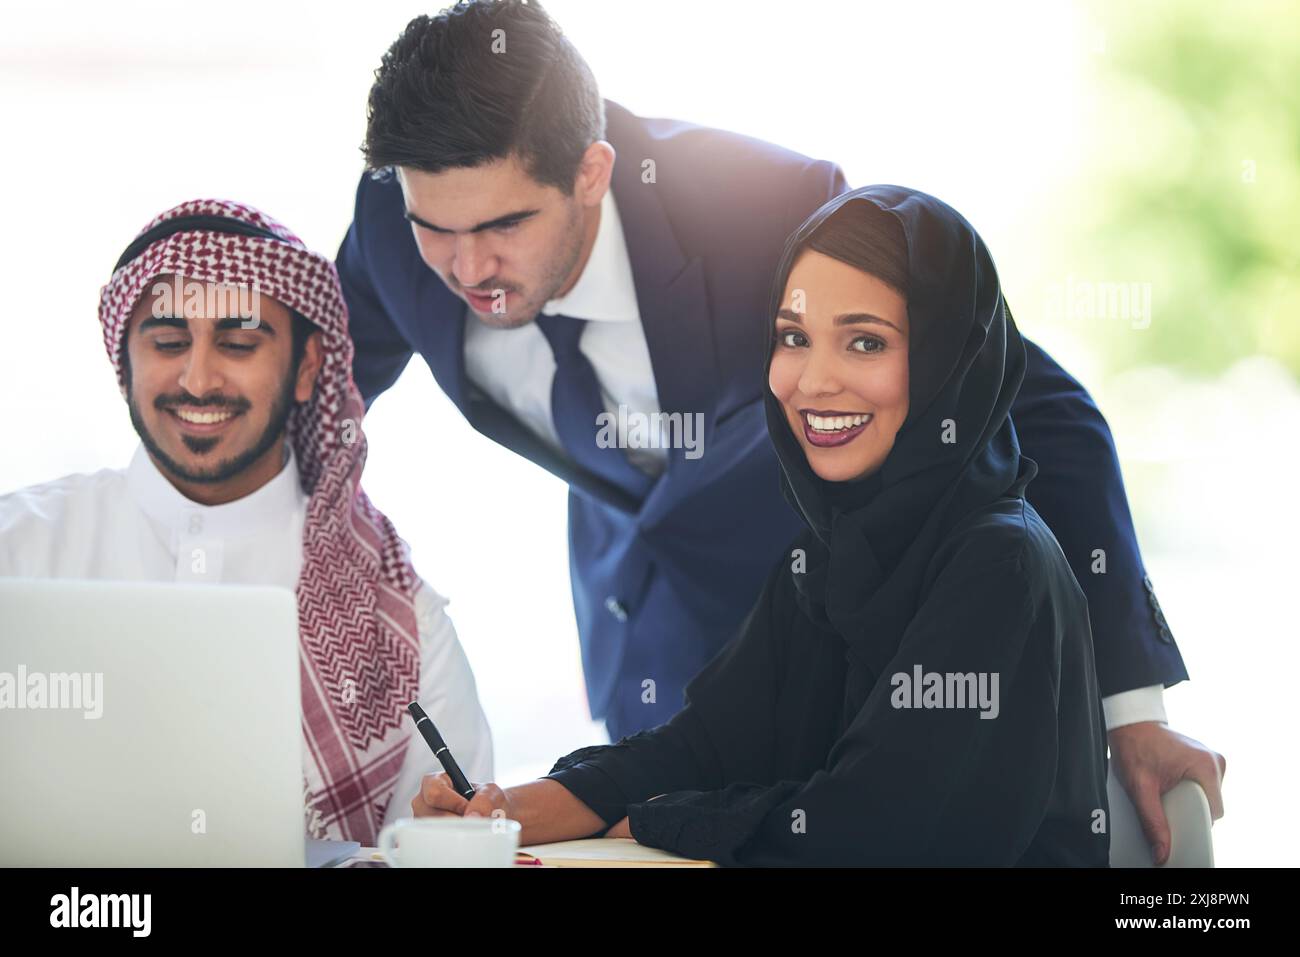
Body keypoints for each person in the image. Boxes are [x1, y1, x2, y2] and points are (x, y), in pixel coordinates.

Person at [340, 0, 1222, 862]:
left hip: (858, 684)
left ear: (591, 173)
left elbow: (1039, 408)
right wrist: (515, 809)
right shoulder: (392, 227)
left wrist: (1131, 706)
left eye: (503, 225)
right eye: (436, 231)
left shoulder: (770, 215)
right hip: (712, 661)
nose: (467, 268)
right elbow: (302, 406)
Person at [410, 186, 1111, 866]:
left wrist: (661, 821)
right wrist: (504, 809)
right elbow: (705, 744)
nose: (812, 380)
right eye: (794, 337)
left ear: (949, 360)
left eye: (865, 342)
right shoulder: (828, 550)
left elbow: (880, 831)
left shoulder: (999, 562)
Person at [0, 199, 493, 845]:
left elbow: (458, 844)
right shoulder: (20, 549)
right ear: (125, 364)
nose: (198, 379)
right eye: (169, 341)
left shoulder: (400, 622)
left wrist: (443, 840)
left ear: (308, 366)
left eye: (237, 343)